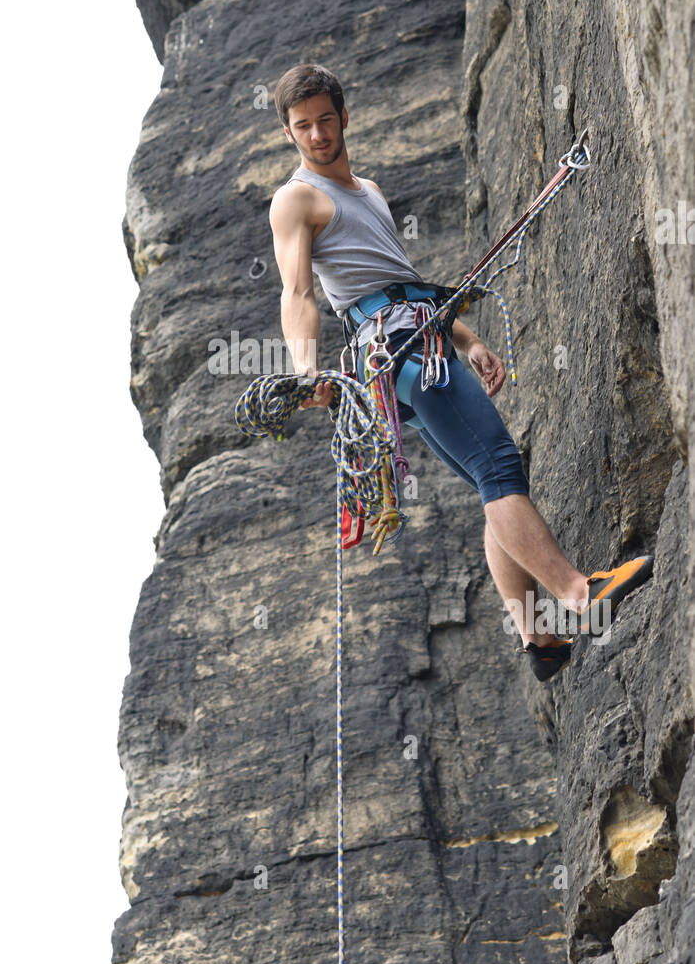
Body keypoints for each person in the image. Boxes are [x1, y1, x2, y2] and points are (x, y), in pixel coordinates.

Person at [267, 63, 653, 682]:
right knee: (498, 467)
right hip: (395, 352)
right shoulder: (297, 199)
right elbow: (298, 293)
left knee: (487, 480)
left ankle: (537, 634)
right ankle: (579, 595)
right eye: (302, 126)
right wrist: (307, 371)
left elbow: (404, 285)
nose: (316, 135)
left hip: (419, 338)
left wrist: (467, 339)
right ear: (289, 134)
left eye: (325, 120)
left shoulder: (368, 192)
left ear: (344, 117)